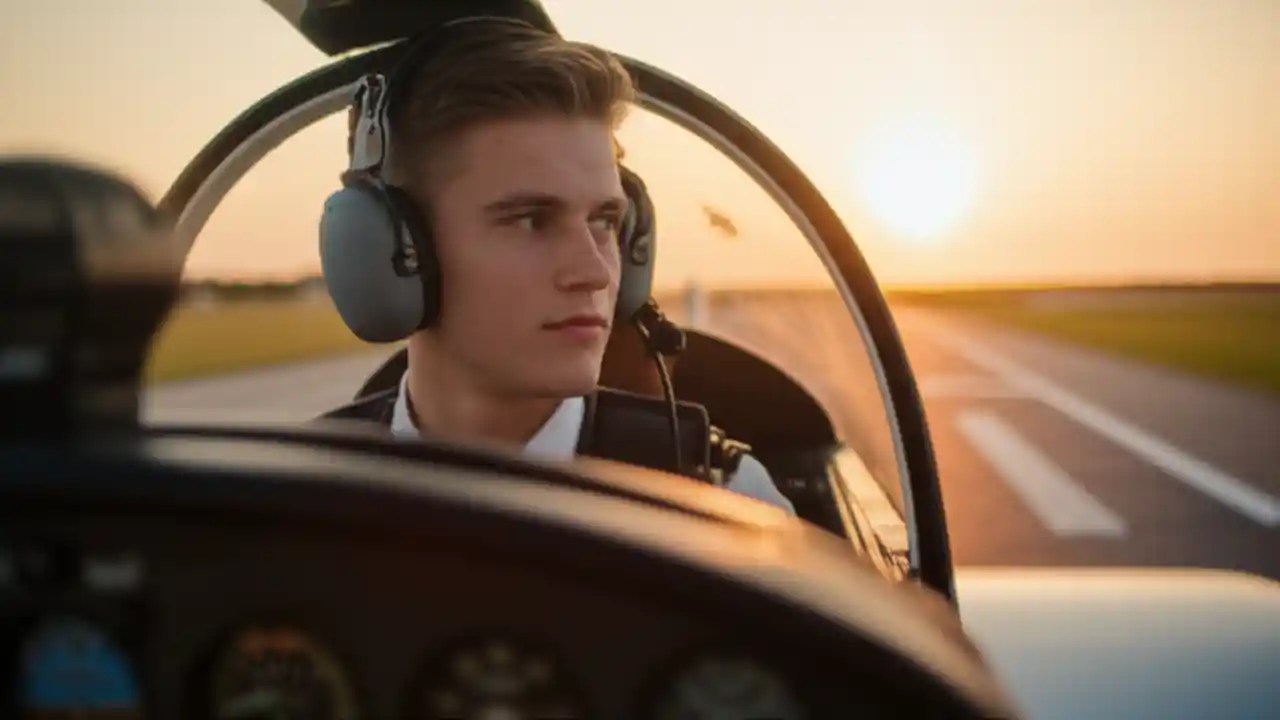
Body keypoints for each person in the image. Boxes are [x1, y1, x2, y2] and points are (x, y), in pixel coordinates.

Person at [321, 17, 793, 514]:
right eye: (530, 221)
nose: (595, 272)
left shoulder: (727, 505)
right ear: (395, 252)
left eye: (606, 221)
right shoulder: (296, 507)